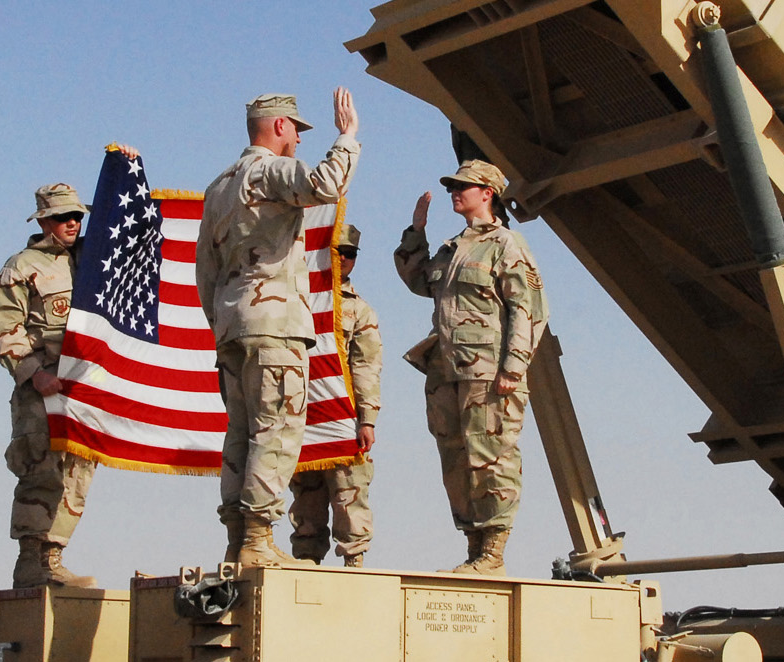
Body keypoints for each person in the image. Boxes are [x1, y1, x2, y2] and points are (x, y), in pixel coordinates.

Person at [196, 89, 361, 568]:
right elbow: (326, 185)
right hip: (273, 325)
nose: (298, 143)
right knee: (278, 430)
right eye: (297, 132)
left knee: (242, 435)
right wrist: (347, 138)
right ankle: (256, 540)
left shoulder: (219, 185)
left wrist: (222, 321)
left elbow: (204, 269)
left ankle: (237, 541)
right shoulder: (267, 170)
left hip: (233, 326)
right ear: (281, 127)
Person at [0, 146, 139, 589]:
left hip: (82, 388)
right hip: (41, 388)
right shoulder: (22, 268)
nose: (72, 223)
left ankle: (54, 556)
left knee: (79, 471)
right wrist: (33, 372)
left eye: (76, 216)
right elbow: (5, 328)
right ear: (42, 221)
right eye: (62, 217)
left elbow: (131, 234)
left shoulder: (93, 261)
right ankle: (31, 561)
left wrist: (127, 167)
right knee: (41, 468)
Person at [395, 159, 548, 575]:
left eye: (464, 186)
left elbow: (528, 311)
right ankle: (474, 547)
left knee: (491, 457)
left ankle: (493, 551)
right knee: (457, 459)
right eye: (453, 185)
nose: (454, 191)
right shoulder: (452, 247)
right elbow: (419, 281)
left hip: (487, 372)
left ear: (488, 193)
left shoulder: (506, 244)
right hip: (446, 370)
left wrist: (513, 368)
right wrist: (416, 231)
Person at [287, 224, 381, 567]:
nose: (344, 259)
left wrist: (367, 419)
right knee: (305, 494)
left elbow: (367, 367)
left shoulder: (360, 311)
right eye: (337, 252)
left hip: (343, 414)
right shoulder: (297, 298)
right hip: (301, 412)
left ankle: (353, 559)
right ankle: (307, 558)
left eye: (351, 254)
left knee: (349, 490)